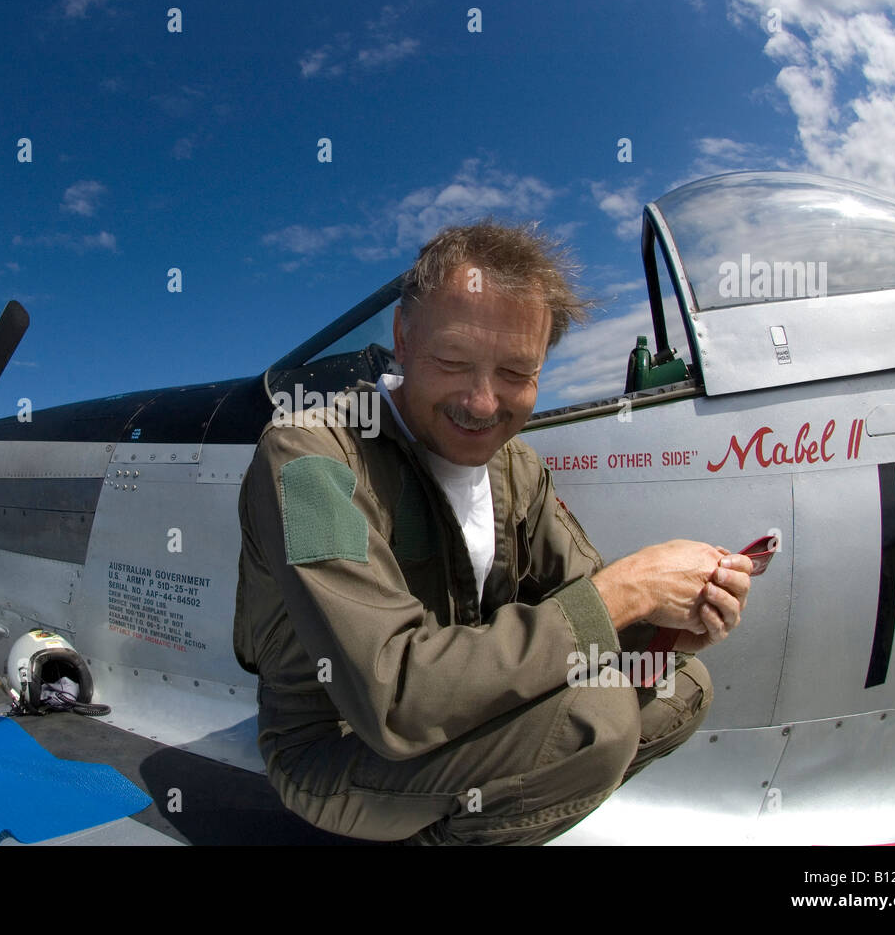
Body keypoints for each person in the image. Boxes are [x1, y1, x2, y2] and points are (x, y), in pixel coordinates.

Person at [233, 220, 753, 845]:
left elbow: (591, 606)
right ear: (403, 338)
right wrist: (629, 592)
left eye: (514, 373)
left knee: (673, 686)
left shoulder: (516, 467)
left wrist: (673, 623)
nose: (482, 404)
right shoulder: (313, 458)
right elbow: (390, 698)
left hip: (459, 715)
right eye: (454, 362)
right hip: (335, 745)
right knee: (593, 724)